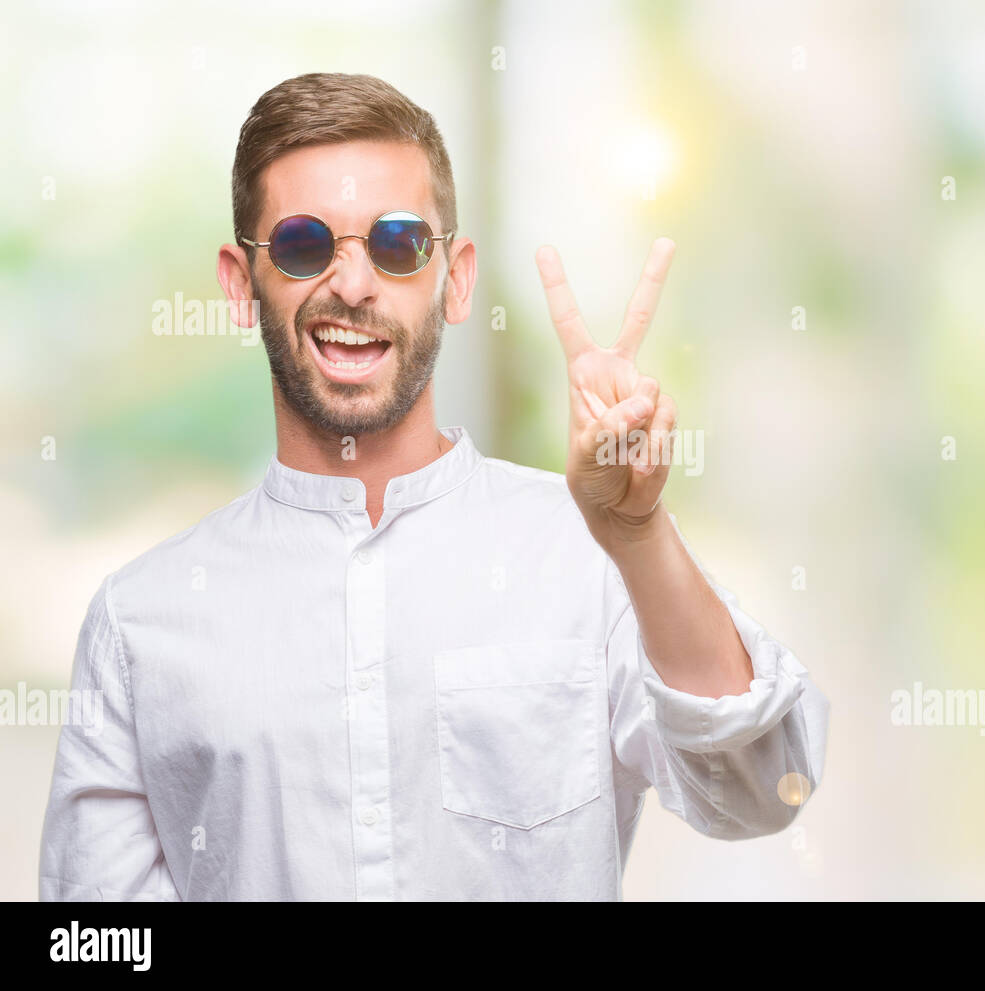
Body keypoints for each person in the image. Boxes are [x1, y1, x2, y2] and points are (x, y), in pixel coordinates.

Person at [38, 72, 829, 901]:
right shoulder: (141, 622)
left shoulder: (590, 558)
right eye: (307, 243)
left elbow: (765, 790)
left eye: (398, 242)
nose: (352, 284)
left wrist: (637, 532)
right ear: (242, 284)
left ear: (454, 279)